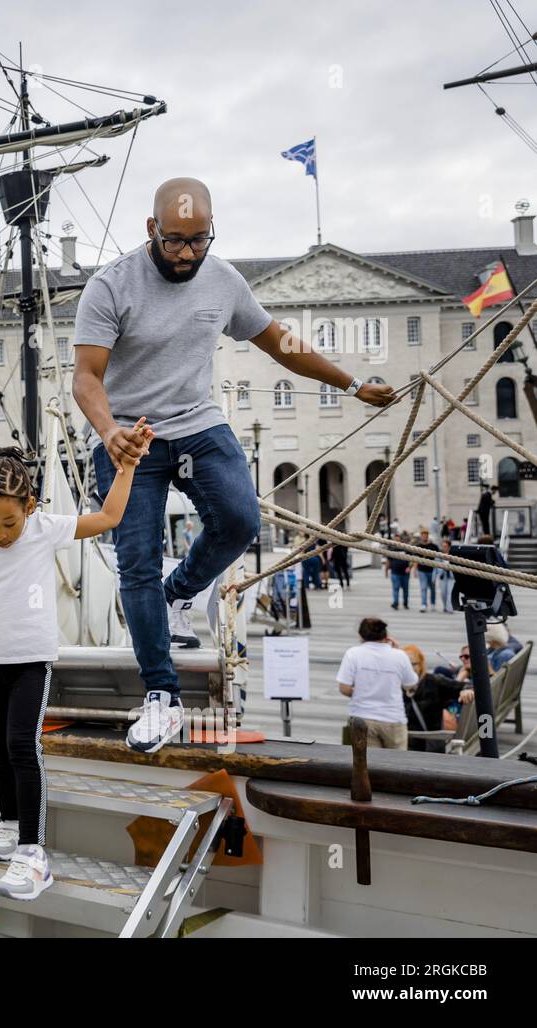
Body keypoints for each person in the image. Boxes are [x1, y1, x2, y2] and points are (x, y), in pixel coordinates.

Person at [71, 176, 395, 752]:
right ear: (152, 230)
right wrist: (109, 431)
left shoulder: (222, 281)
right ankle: (161, 697)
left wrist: (350, 384)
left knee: (242, 521)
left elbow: (281, 344)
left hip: (197, 423)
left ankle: (181, 594)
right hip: (128, 435)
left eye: (199, 241)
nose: (188, 254)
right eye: (175, 242)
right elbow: (86, 376)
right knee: (136, 560)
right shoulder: (110, 286)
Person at [0, 432, 149, 900]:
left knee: (23, 746)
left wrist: (126, 467)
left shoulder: (45, 528)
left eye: (9, 523)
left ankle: (33, 852)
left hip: (30, 661)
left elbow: (108, 517)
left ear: (29, 506)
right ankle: (8, 824)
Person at [336, 617, 417, 749]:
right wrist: (397, 650)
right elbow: (411, 683)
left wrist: (363, 692)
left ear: (361, 635)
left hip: (361, 717)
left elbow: (344, 688)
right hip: (393, 718)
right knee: (396, 766)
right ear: (386, 635)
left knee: (368, 765)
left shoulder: (353, 654)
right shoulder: (399, 655)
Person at [411, 526, 435, 612]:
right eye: (423, 535)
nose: (424, 537)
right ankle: (424, 604)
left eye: (426, 535)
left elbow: (437, 559)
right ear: (421, 536)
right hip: (422, 570)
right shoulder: (418, 546)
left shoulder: (433, 546)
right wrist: (414, 569)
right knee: (423, 587)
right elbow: (416, 558)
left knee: (432, 588)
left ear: (428, 536)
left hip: (431, 570)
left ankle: (432, 603)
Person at [385, 536, 411, 610]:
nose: (396, 541)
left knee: (405, 589)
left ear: (400, 540)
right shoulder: (391, 549)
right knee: (395, 589)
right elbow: (388, 561)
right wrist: (386, 571)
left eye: (398, 539)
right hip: (395, 572)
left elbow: (412, 559)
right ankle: (395, 603)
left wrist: (410, 567)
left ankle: (405, 603)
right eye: (395, 539)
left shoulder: (405, 548)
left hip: (405, 573)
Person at [433, 539, 454, 613]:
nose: (443, 548)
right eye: (443, 546)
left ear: (449, 547)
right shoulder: (439, 556)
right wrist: (434, 578)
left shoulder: (454, 555)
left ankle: (450, 608)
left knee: (450, 593)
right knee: (443, 593)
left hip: (451, 577)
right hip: (443, 576)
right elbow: (435, 568)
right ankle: (445, 606)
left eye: (445, 546)